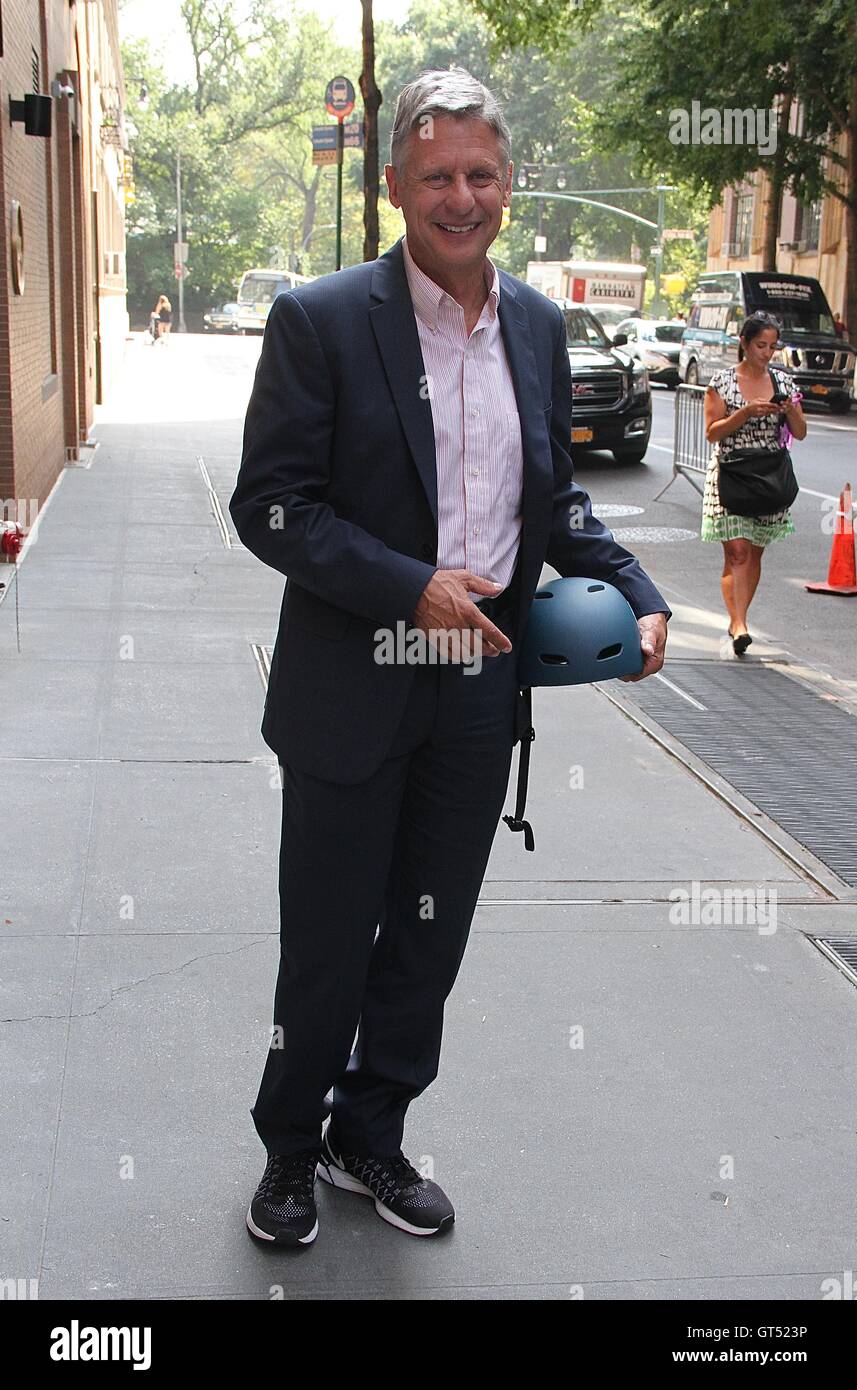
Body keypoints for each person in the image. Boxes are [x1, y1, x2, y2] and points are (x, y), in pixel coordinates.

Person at [229, 67, 671, 1248]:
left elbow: (550, 498)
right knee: (326, 940)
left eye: (480, 174)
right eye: (437, 177)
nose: (460, 196)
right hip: (350, 684)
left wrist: (631, 585)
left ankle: (366, 1133)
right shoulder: (319, 321)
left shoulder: (531, 320)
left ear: (508, 184)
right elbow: (269, 507)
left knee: (427, 935)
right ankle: (285, 1148)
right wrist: (405, 584)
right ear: (394, 187)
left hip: (478, 691)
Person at [702, 311, 806, 655]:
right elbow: (712, 433)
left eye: (773, 347)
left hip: (768, 476)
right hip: (731, 474)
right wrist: (745, 413)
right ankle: (740, 625)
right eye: (761, 344)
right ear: (744, 343)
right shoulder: (721, 383)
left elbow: (801, 432)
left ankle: (738, 619)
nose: (767, 353)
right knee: (738, 552)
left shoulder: (784, 382)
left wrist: (788, 411)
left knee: (754, 553)